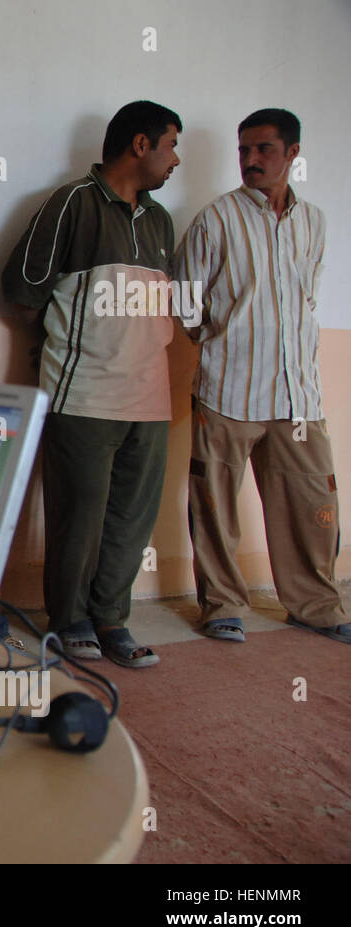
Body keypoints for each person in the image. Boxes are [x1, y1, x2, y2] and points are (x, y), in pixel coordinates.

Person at [1, 101, 183, 668]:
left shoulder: (159, 220)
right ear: (139, 145)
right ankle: (69, 618)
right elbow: (24, 291)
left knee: (131, 519)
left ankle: (112, 619)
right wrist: (73, 345)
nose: (176, 160)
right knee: (78, 515)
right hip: (82, 394)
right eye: (171, 145)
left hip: (150, 397)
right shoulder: (72, 203)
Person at [173, 108, 350, 645]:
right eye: (243, 150)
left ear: (292, 153)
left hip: (299, 395)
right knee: (216, 506)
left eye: (263, 150)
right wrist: (220, 342)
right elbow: (184, 299)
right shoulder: (215, 219)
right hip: (228, 389)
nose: (250, 160)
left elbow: (307, 298)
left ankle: (316, 605)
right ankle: (223, 605)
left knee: (311, 506)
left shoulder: (314, 221)